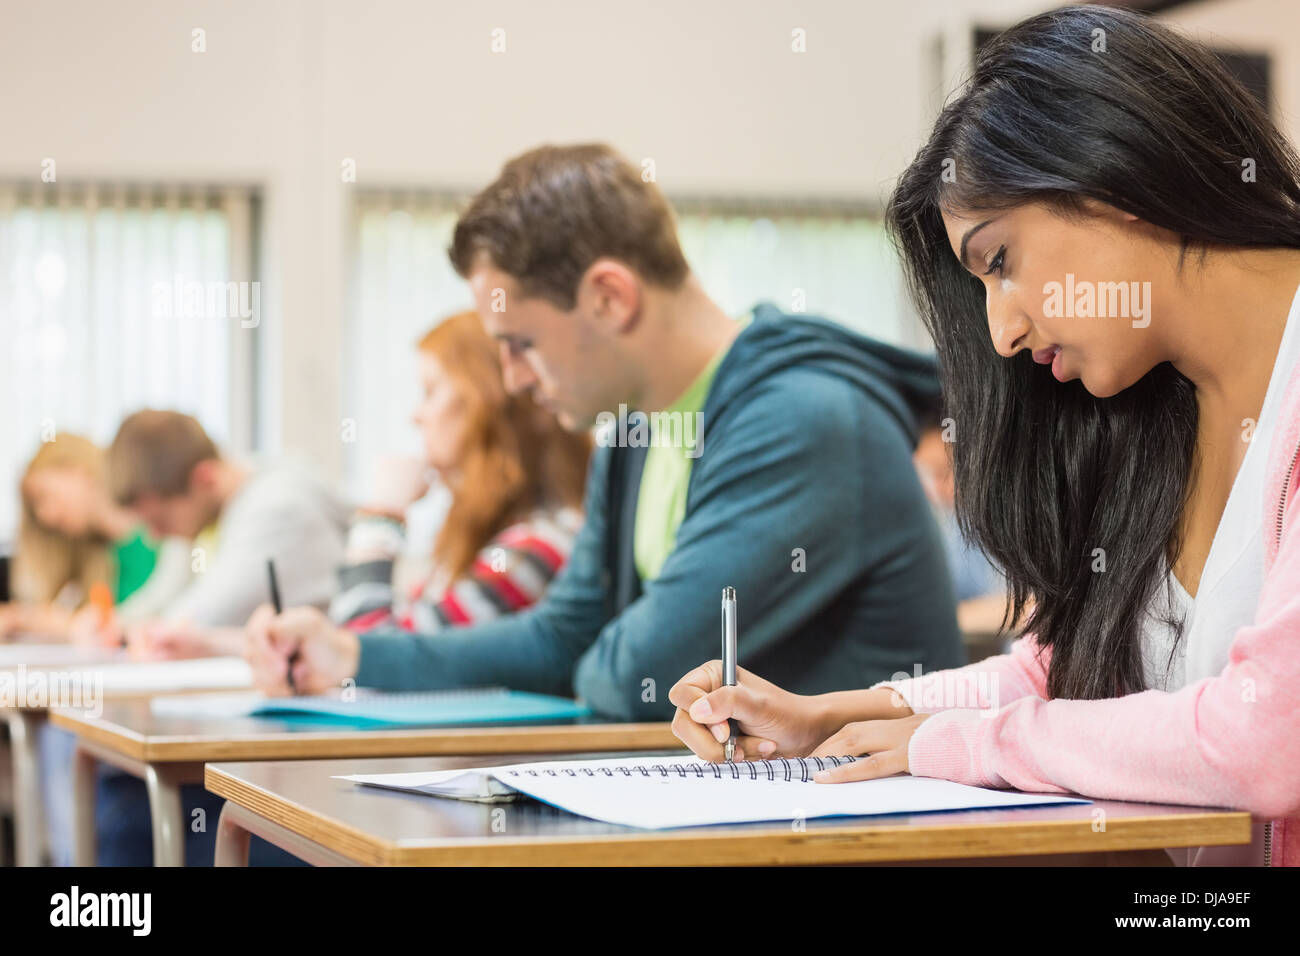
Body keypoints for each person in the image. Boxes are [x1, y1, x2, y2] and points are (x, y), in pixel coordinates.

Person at [669, 5, 1300, 867]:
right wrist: (840, 716)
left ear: (1112, 171)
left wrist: (959, 747)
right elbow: (1061, 678)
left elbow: (1264, 739)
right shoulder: (1159, 416)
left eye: (999, 261)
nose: (1001, 333)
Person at [246, 142, 966, 718]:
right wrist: (351, 657)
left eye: (520, 342)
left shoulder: (805, 422)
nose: (514, 377)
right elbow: (561, 636)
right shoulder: (636, 431)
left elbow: (639, 678)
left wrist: (592, 655)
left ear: (609, 298)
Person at [327, 310, 590, 634]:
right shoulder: (488, 537)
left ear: (486, 403)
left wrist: (381, 515)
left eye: (430, 392)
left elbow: (369, 649)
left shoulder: (539, 547)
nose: (416, 416)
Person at [0, 434, 188, 642]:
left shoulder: (170, 532)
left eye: (44, 496)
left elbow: (156, 616)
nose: (46, 516)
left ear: (77, 471)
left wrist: (64, 623)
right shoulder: (94, 560)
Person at [911, 400, 1011, 641]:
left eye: (944, 473)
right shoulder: (948, 523)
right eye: (928, 474)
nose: (936, 488)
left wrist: (948, 619)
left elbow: (1030, 607)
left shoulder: (1006, 521)